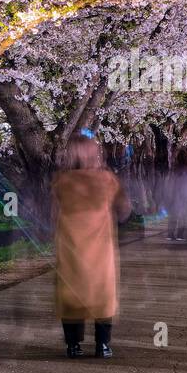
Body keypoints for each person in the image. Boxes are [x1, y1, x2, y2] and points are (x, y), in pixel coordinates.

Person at [52, 134, 131, 358]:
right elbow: (125, 209)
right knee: (102, 292)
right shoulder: (106, 179)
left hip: (70, 245)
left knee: (71, 292)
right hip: (100, 246)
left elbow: (51, 211)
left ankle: (73, 345)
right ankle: (103, 344)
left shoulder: (62, 181)